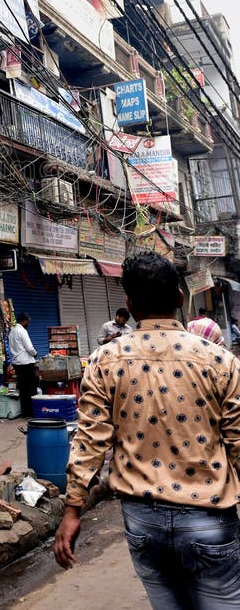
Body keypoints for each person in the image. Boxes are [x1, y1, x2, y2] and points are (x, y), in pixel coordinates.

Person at [54, 251, 240, 609]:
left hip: (143, 522)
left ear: (130, 304)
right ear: (180, 298)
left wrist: (73, 510)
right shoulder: (219, 361)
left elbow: (89, 441)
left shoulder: (104, 361)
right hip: (210, 518)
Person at [8, 312, 38, 417]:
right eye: (27, 321)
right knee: (31, 387)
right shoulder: (22, 331)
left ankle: (25, 412)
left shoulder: (12, 332)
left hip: (17, 363)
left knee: (23, 389)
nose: (28, 323)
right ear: (24, 321)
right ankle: (32, 412)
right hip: (26, 362)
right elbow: (29, 348)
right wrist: (35, 354)